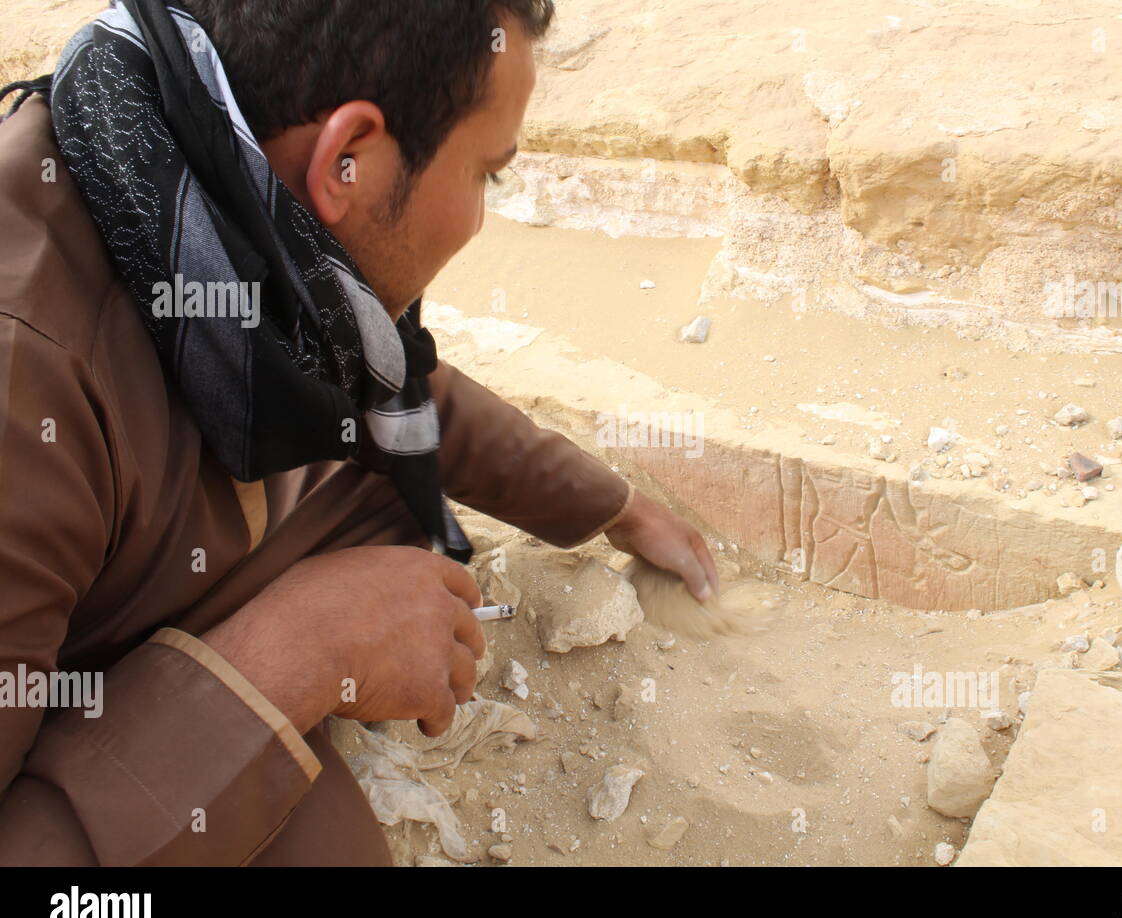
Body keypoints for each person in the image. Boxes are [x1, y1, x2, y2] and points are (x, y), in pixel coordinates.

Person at [0, 0, 718, 865]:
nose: (481, 215)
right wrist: (300, 652)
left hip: (114, 604)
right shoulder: (24, 386)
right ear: (348, 158)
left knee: (380, 481)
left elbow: (375, 379)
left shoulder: (185, 136)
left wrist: (616, 506)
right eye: (487, 174)